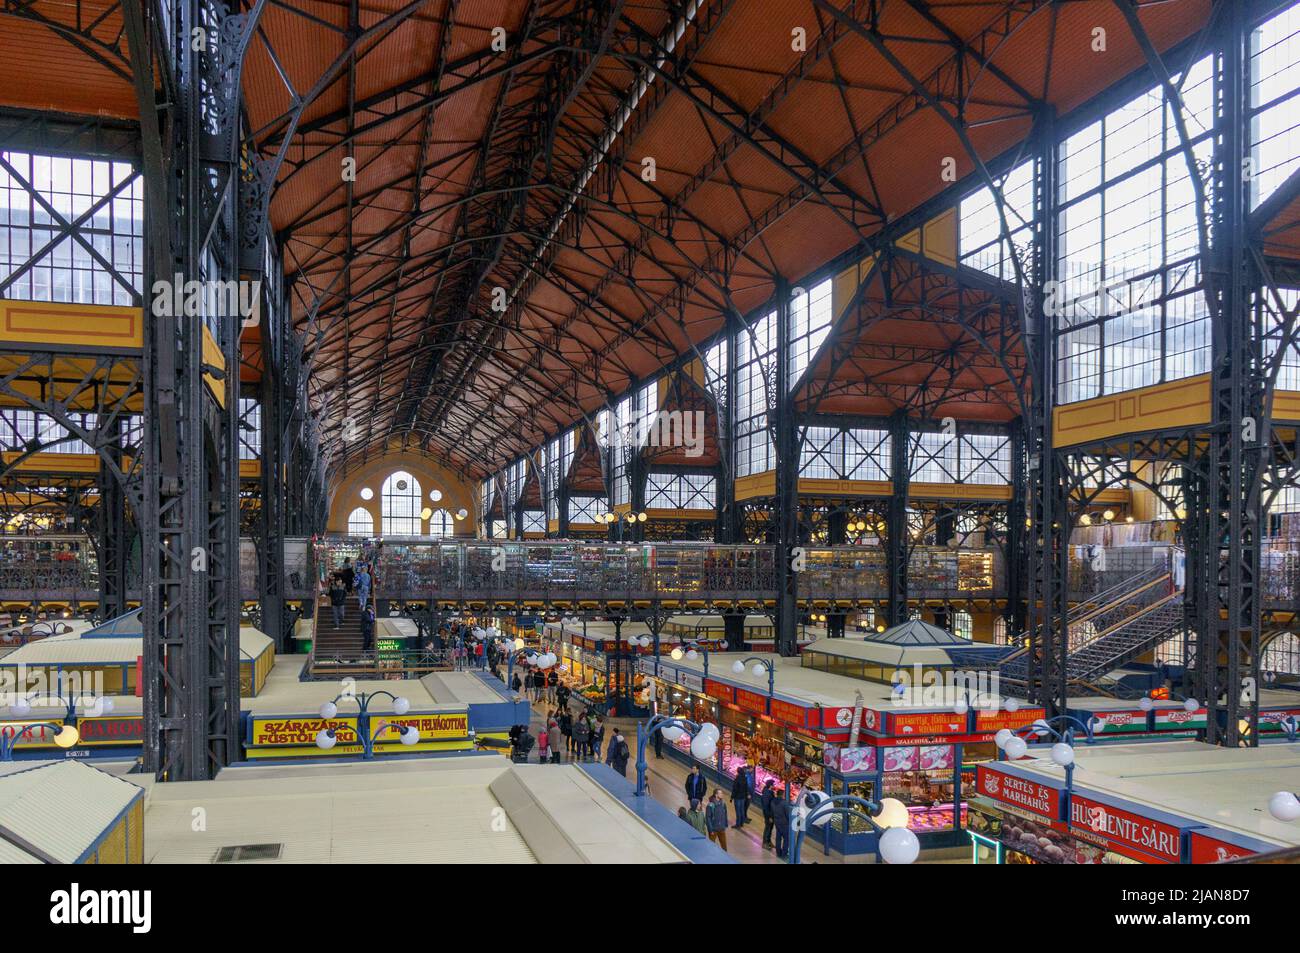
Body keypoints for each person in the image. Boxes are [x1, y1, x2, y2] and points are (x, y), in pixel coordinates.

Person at [731, 763, 753, 828]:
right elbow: (746, 787)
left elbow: (734, 789)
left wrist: (732, 797)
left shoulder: (737, 779)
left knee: (738, 811)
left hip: (738, 797)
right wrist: (747, 794)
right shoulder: (744, 778)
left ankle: (738, 824)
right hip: (743, 797)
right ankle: (742, 823)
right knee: (742, 810)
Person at [772, 788, 790, 859]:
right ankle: (784, 853)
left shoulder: (773, 801)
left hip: (777, 821)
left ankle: (778, 852)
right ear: (782, 795)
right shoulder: (784, 803)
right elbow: (787, 814)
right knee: (786, 839)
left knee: (778, 837)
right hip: (784, 823)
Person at [760, 779, 777, 850]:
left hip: (771, 814)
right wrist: (769, 816)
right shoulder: (767, 794)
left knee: (770, 828)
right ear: (770, 785)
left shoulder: (770, 792)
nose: (774, 786)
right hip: (769, 814)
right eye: (773, 784)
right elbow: (766, 806)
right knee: (768, 827)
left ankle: (769, 841)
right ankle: (764, 843)